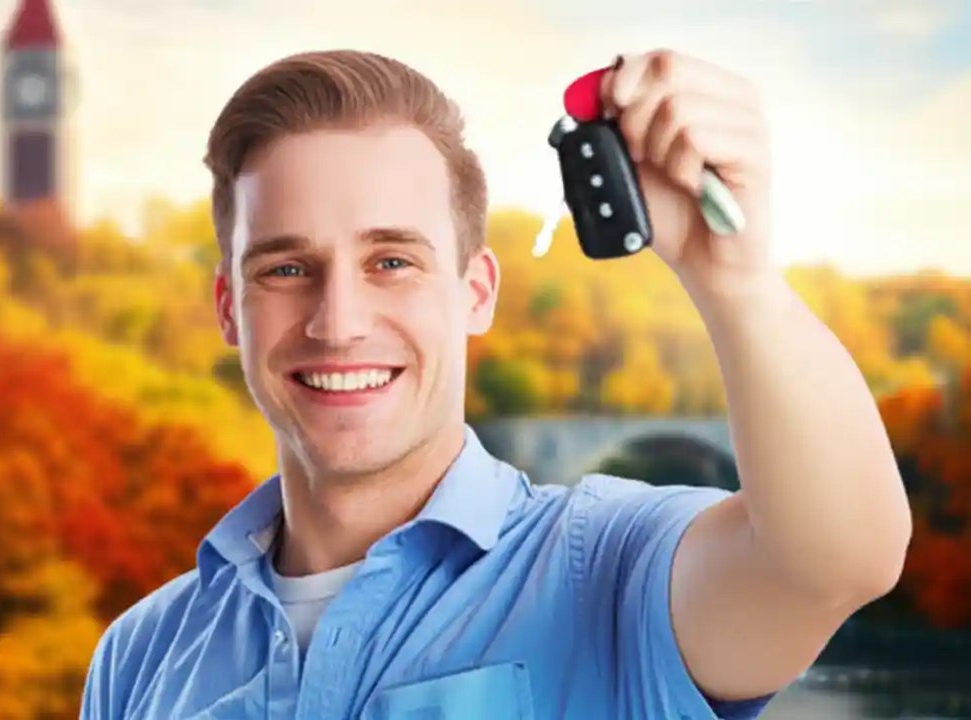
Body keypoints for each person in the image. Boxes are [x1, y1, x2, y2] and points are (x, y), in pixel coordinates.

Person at [79, 48, 912, 719]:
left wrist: (732, 276)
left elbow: (836, 562)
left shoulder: (605, 573)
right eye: (287, 267)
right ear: (229, 308)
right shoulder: (139, 656)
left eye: (392, 261)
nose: (337, 320)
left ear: (476, 291)